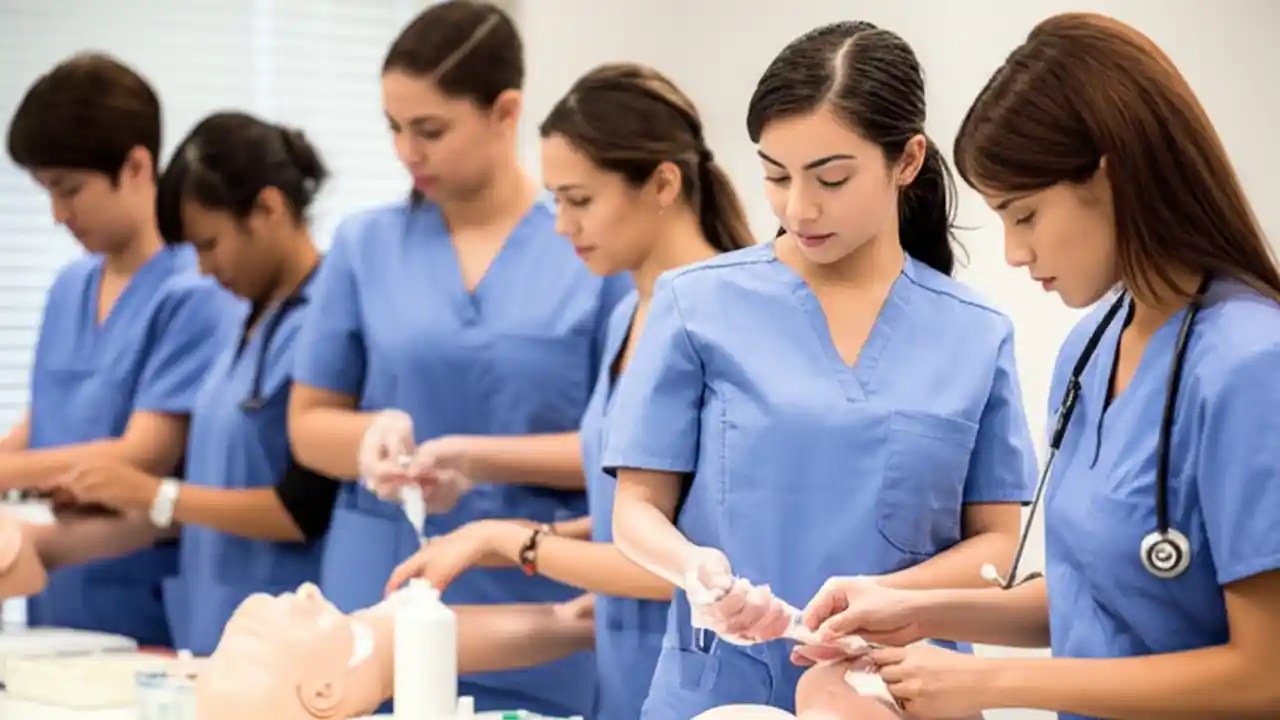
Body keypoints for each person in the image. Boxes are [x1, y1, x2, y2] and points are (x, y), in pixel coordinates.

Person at [801, 13, 1280, 720]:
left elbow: (1263, 676)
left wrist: (989, 685)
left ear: (1113, 177)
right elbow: (1098, 601)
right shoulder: (1090, 351)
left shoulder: (1249, 367)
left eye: (1023, 216)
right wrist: (908, 609)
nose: (1013, 253)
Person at [601, 21, 1038, 716]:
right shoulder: (696, 304)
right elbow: (636, 511)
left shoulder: (975, 334)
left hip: (895, 690)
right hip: (719, 688)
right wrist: (697, 571)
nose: (798, 207)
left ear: (907, 160)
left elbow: (995, 547)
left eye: (831, 177)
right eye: (776, 175)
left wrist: (889, 603)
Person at [386, 62, 755, 719]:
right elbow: (639, 506)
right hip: (622, 666)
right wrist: (542, 531)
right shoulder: (628, 315)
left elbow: (682, 560)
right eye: (555, 199)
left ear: (663, 183)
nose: (560, 226)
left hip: (707, 673)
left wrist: (510, 540)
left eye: (578, 200)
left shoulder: (727, 320)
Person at [287, 2, 626, 715]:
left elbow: (622, 454)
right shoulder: (364, 245)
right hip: (379, 581)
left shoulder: (591, 248)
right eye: (394, 128)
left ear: (506, 112)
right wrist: (369, 439)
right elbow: (310, 425)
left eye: (430, 130)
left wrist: (478, 459)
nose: (407, 152)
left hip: (537, 589)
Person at [39, 111, 340, 656]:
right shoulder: (245, 322)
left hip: (286, 643)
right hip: (209, 632)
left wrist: (157, 494)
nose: (201, 270)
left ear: (268, 210)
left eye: (209, 244)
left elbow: (301, 510)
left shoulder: (328, 321)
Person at [2, 53, 238, 646]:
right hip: (54, 607)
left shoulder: (197, 292)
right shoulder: (69, 288)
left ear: (136, 166)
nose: (58, 215)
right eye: (47, 192)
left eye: (70, 190)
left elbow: (143, 455)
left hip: (143, 613)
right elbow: (47, 419)